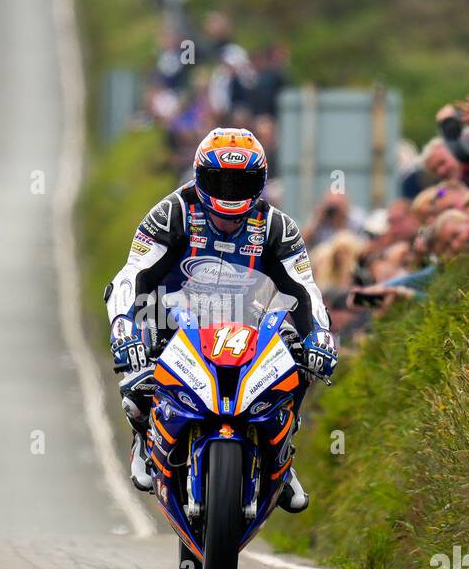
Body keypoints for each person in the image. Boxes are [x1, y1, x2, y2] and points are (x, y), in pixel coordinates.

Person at [105, 127, 336, 510]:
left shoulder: (279, 227)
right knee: (138, 369)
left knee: (300, 359)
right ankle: (145, 437)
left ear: (259, 182)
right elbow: (133, 274)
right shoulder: (172, 213)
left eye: (240, 182)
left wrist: (321, 337)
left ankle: (281, 454)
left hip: (249, 322)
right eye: (220, 181)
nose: (229, 192)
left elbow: (304, 289)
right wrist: (123, 328)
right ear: (200, 176)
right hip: (174, 317)